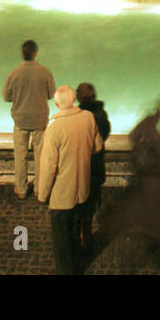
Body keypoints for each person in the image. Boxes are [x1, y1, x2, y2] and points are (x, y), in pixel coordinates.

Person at [37, 86, 102, 275]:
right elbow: (97, 146)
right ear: (73, 101)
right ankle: (77, 267)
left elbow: (48, 167)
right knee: (74, 232)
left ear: (56, 103)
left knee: (62, 242)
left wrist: (43, 194)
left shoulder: (54, 128)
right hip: (82, 189)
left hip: (61, 195)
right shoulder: (88, 118)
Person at [2, 39, 55, 199]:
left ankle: (21, 189)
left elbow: (6, 96)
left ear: (22, 54)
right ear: (35, 54)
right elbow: (51, 94)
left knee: (20, 155)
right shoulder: (45, 72)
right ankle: (40, 189)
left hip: (20, 119)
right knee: (41, 155)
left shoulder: (14, 73)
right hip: (39, 119)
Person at [74, 82, 110, 251]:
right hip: (95, 167)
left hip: (80, 166)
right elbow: (104, 135)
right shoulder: (101, 114)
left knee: (81, 203)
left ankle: (81, 235)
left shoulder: (77, 116)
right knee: (91, 202)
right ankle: (86, 235)